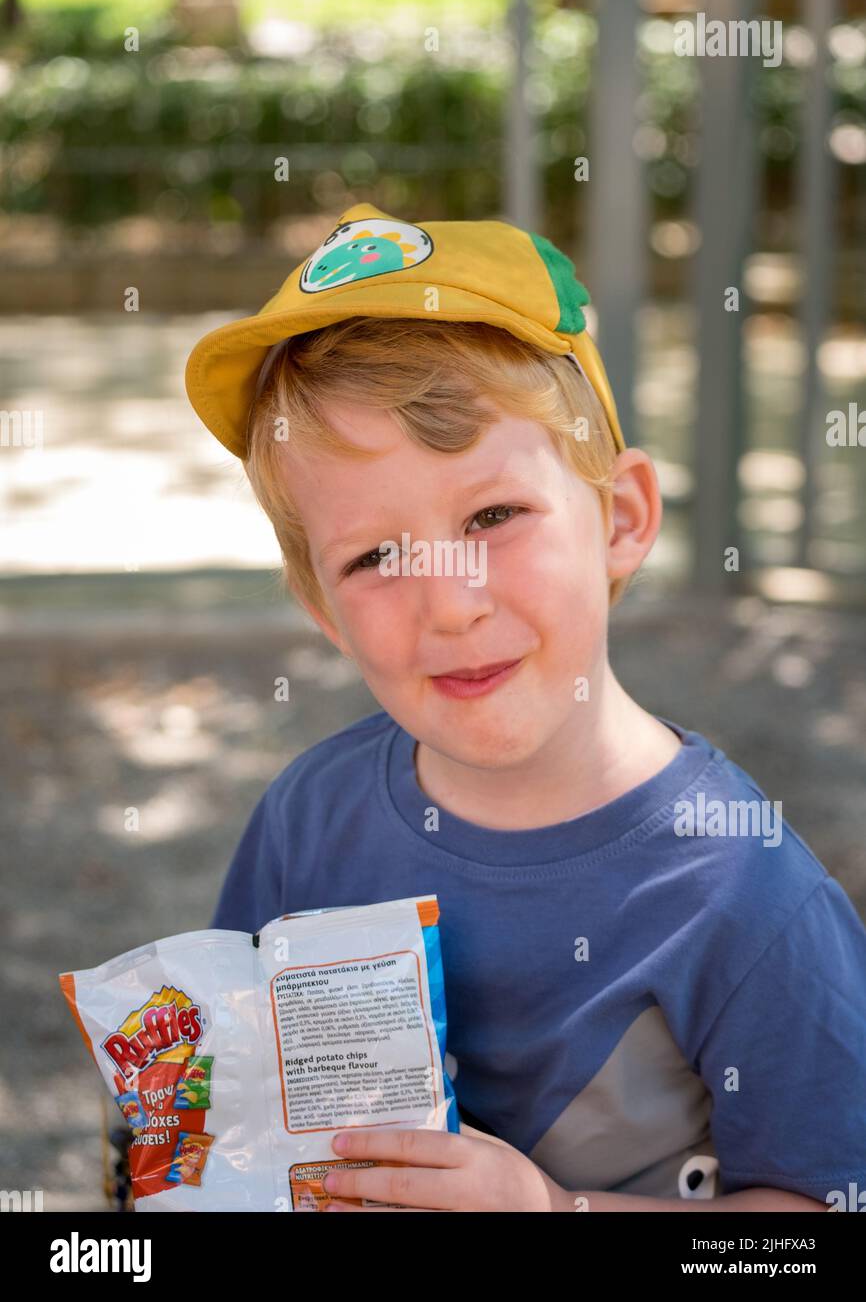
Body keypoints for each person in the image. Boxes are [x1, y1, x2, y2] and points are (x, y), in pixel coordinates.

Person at [184, 204, 866, 1212]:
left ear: (620, 520)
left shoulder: (742, 889)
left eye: (491, 516)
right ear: (320, 606)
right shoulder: (305, 821)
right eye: (374, 557)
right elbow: (222, 1100)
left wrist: (552, 1209)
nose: (449, 602)